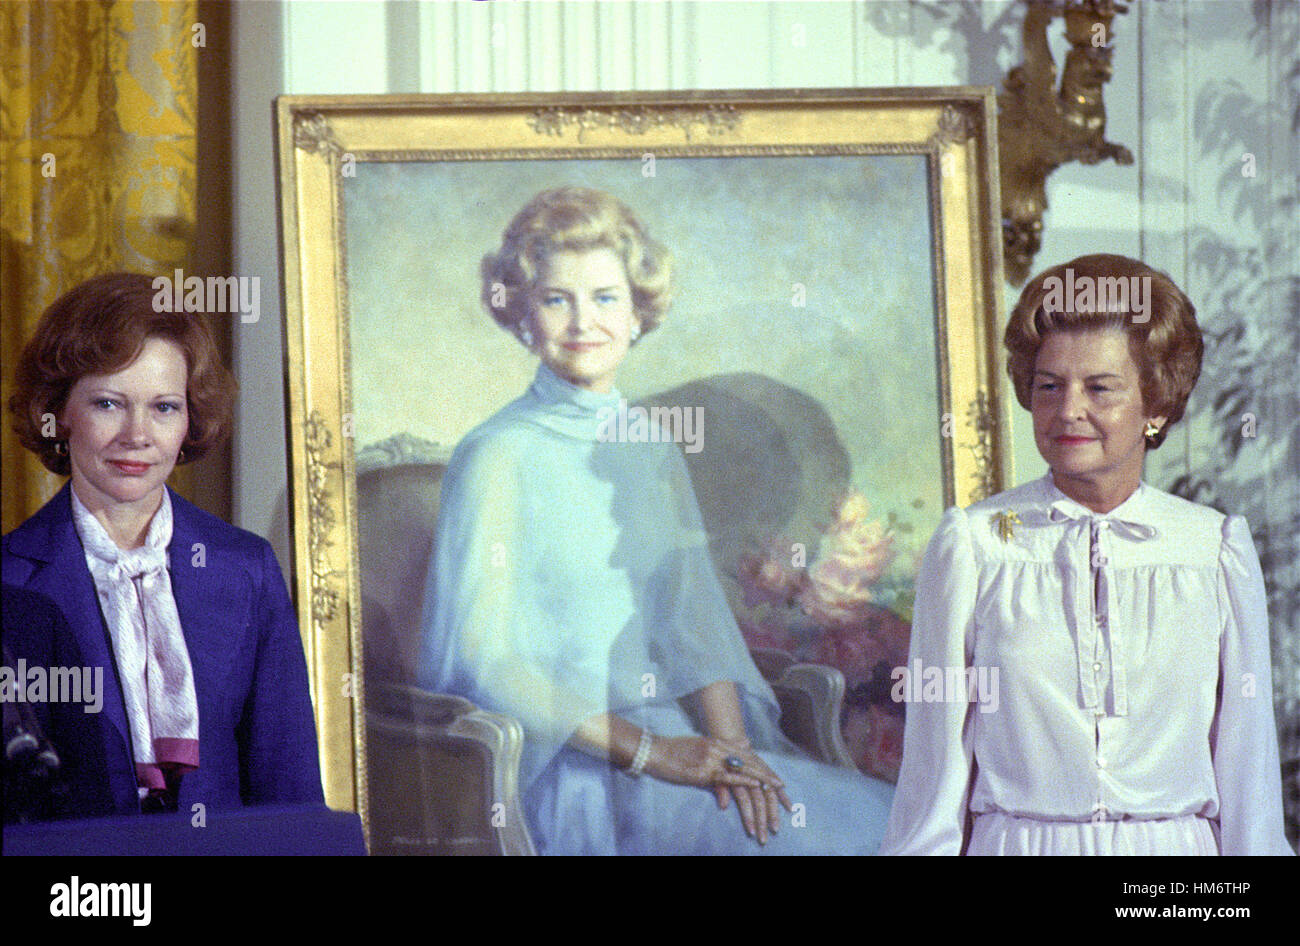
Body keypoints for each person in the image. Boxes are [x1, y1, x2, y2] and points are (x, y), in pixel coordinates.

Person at [420, 186, 894, 854]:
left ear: (639, 311)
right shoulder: (495, 455)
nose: (584, 321)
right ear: (523, 314)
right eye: (558, 299)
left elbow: (693, 617)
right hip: (573, 764)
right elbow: (485, 660)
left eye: (606, 298)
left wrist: (732, 759)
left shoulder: (651, 443)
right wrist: (653, 753)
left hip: (682, 747)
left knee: (887, 821)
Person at [880, 254, 1294, 855]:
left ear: (1156, 405)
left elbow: (1248, 778)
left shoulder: (1213, 549)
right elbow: (932, 776)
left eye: (1099, 387)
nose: (1068, 409)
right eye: (1049, 386)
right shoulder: (974, 544)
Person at [2, 273, 323, 818]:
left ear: (190, 417)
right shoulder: (9, 579)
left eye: (164, 407)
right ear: (59, 414)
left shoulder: (246, 569)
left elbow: (289, 790)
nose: (137, 435)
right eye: (108, 404)